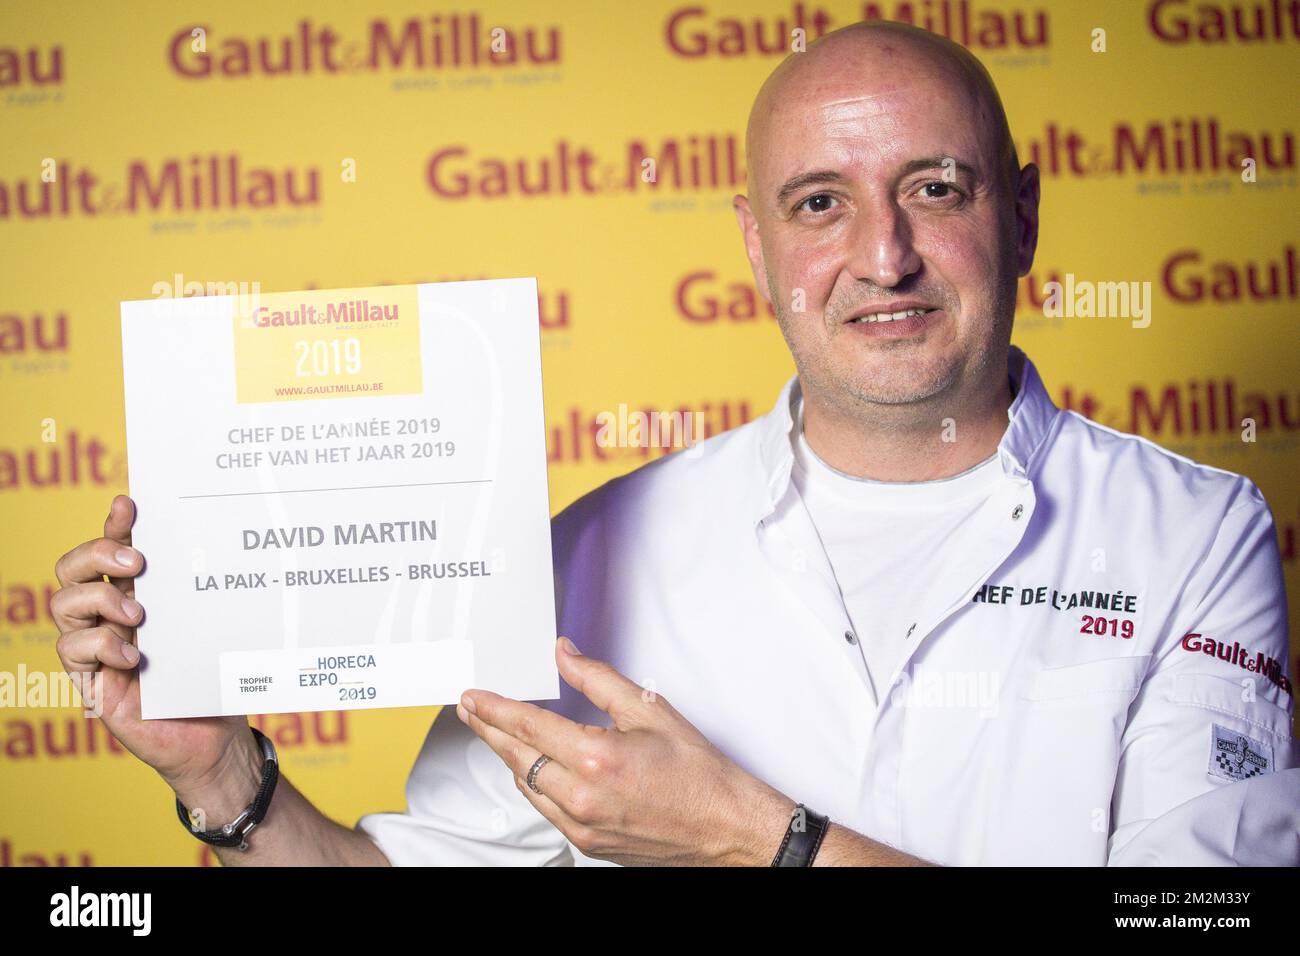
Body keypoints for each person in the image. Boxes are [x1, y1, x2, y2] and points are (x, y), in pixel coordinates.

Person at [49, 21, 1298, 867]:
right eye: (821, 203)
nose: (883, 256)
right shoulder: (592, 552)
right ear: (755, 247)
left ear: (1021, 214)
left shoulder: (1193, 531)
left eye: (936, 187)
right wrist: (221, 776)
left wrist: (757, 837)